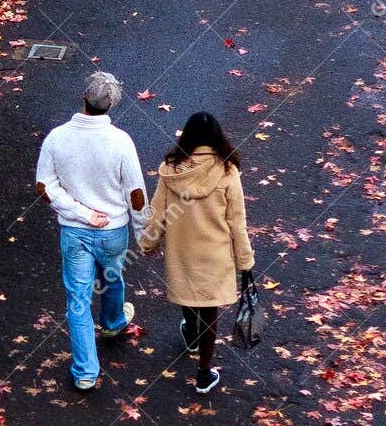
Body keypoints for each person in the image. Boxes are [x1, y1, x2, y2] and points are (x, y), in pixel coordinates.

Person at [36, 72, 148, 391]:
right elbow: (136, 194)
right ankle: (113, 322)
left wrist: (81, 213)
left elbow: (45, 186)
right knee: (112, 277)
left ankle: (85, 370)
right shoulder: (121, 141)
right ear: (111, 105)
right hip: (114, 232)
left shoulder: (57, 138)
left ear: (83, 97)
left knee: (78, 299)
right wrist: (145, 232)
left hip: (75, 232)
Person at [140, 111, 254, 395]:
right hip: (215, 254)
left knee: (188, 293)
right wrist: (245, 262)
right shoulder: (227, 171)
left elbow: (158, 214)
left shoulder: (171, 169)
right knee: (210, 310)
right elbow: (236, 222)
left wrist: (148, 244)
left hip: (182, 252)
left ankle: (190, 332)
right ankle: (204, 372)